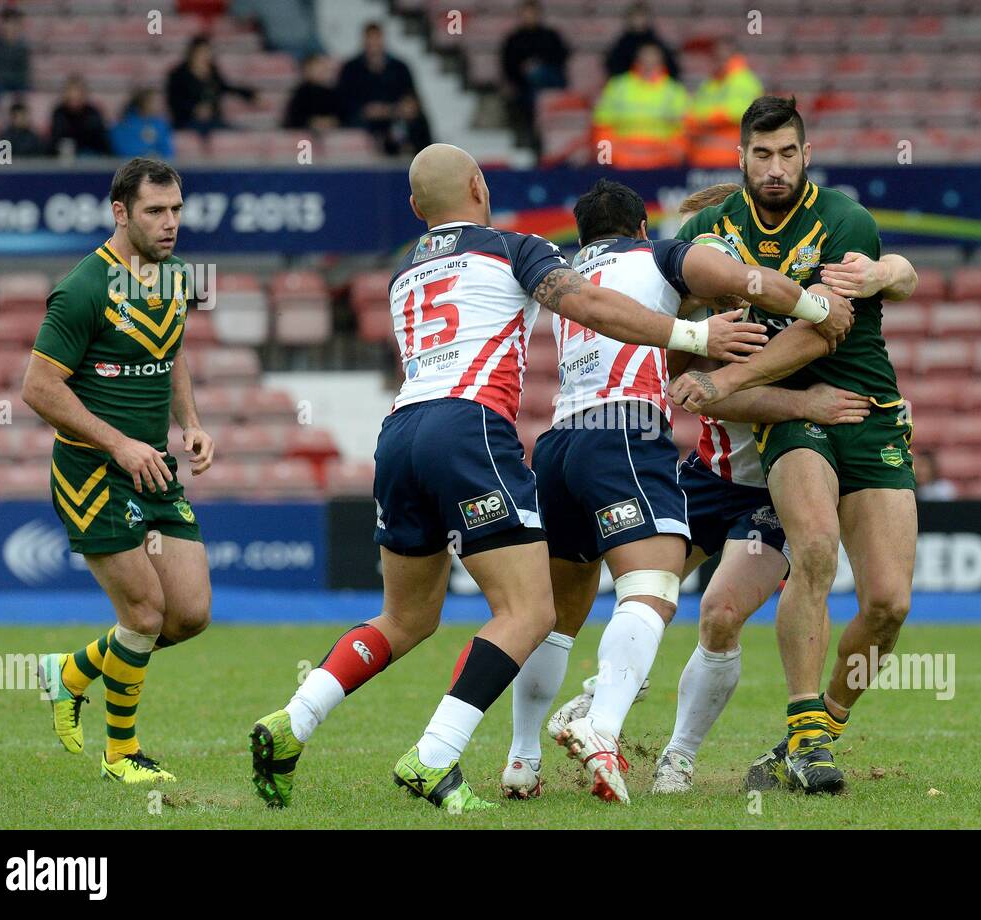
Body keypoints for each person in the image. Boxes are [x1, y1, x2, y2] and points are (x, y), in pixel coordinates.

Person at [245, 144, 767, 813]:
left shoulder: (403, 272)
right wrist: (693, 337)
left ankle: (294, 720)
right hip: (469, 431)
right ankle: (435, 756)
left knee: (404, 617)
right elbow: (593, 306)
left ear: (416, 208)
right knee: (530, 612)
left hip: (399, 432)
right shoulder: (515, 248)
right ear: (478, 187)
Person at [499, 179, 847, 803]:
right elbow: (696, 370)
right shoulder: (673, 277)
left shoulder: (585, 278)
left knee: (691, 614)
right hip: (675, 457)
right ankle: (601, 719)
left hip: (587, 445)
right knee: (647, 591)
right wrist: (802, 322)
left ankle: (614, 756)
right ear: (645, 231)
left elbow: (699, 360)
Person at [668, 96, 921, 795]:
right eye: (761, 154)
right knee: (812, 548)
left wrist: (724, 382)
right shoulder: (710, 231)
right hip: (795, 418)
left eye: (787, 154)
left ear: (806, 156)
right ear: (742, 159)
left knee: (889, 603)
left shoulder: (842, 219)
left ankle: (818, 731)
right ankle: (809, 737)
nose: (774, 168)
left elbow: (825, 330)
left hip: (868, 411)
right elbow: (670, 311)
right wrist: (688, 354)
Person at [24, 157, 214, 784]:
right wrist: (119, 444)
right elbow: (38, 388)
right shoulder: (83, 288)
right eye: (156, 211)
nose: (170, 223)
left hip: (154, 469)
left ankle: (71, 673)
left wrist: (189, 423)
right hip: (91, 473)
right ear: (120, 212)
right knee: (143, 616)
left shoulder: (177, 277)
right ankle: (121, 755)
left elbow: (172, 349)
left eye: (176, 210)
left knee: (189, 614)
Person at [336, 21, 431, 156]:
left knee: (416, 123)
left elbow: (411, 98)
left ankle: (423, 159)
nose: (374, 43)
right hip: (362, 119)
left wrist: (396, 109)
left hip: (395, 116)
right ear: (364, 40)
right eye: (370, 38)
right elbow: (343, 100)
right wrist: (365, 110)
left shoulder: (400, 67)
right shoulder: (350, 68)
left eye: (377, 38)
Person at [593, 42, 688, 168]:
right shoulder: (618, 87)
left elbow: (684, 131)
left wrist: (674, 159)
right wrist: (605, 160)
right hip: (622, 160)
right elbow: (601, 126)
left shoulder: (674, 91)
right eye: (645, 60)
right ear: (637, 61)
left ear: (661, 62)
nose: (649, 65)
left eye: (653, 61)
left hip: (661, 161)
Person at [500, 0, 569, 149]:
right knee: (533, 94)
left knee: (538, 74)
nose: (529, 16)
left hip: (553, 82)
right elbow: (508, 66)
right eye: (526, 13)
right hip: (525, 87)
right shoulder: (513, 39)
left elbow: (561, 58)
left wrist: (539, 66)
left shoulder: (551, 35)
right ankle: (537, 140)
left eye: (532, 13)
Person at [685, 37, 763, 167]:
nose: (719, 60)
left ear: (735, 56)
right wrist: (693, 120)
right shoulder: (710, 83)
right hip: (703, 158)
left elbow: (737, 112)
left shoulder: (743, 79)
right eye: (715, 56)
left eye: (724, 55)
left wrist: (703, 119)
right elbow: (694, 111)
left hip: (731, 160)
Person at [165, 36, 257, 133]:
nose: (204, 56)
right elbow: (174, 99)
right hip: (187, 122)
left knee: (236, 134)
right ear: (192, 53)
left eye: (207, 52)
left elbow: (225, 87)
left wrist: (250, 95)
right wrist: (193, 110)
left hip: (213, 121)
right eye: (201, 52)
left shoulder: (213, 72)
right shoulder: (178, 74)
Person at [605, 2, 680, 81]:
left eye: (641, 17)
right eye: (635, 17)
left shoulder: (655, 42)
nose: (638, 21)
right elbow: (612, 67)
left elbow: (673, 69)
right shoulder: (622, 44)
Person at [51, 76, 112, 157]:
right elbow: (55, 142)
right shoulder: (59, 113)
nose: (74, 96)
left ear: (84, 94)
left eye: (78, 93)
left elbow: (103, 143)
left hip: (92, 160)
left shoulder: (93, 113)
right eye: (71, 93)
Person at [283, 54, 342, 132]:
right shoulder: (301, 93)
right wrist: (312, 122)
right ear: (306, 70)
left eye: (323, 67)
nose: (321, 70)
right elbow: (293, 119)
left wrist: (332, 121)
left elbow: (342, 116)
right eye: (316, 67)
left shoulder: (333, 93)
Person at [110, 89, 174, 160]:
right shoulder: (125, 125)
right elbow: (123, 150)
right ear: (144, 103)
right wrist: (147, 155)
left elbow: (168, 151)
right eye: (155, 102)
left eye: (161, 102)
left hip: (157, 168)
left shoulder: (160, 125)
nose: (160, 105)